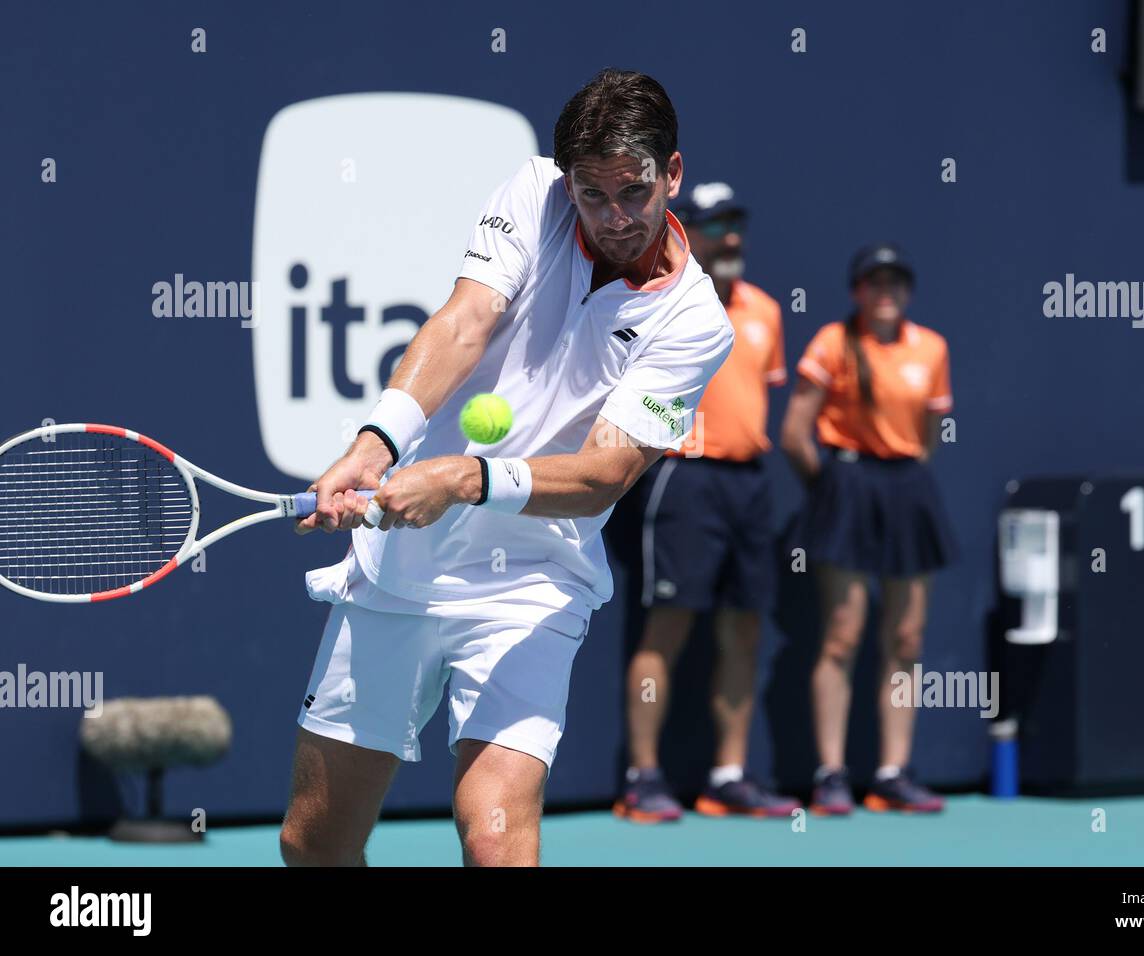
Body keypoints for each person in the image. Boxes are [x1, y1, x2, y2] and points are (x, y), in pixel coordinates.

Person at [279, 68, 734, 866]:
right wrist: (375, 444)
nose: (613, 216)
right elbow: (464, 321)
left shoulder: (697, 322)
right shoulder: (534, 190)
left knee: (493, 832)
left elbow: (605, 475)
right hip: (399, 571)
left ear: (673, 174)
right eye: (592, 195)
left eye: (633, 191)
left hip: (533, 583)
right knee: (312, 845)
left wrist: (462, 479)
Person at [613, 182, 798, 822]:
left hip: (750, 483)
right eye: (717, 227)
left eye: (737, 225)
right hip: (682, 476)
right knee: (666, 626)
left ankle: (728, 775)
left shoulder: (767, 311)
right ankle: (642, 777)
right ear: (690, 232)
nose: (732, 240)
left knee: (743, 628)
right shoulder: (661, 303)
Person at [780, 243, 956, 815]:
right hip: (847, 487)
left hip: (908, 490)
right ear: (857, 290)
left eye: (896, 282)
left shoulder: (931, 348)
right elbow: (795, 434)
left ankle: (892, 772)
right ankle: (831, 773)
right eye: (874, 282)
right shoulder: (832, 342)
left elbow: (928, 440)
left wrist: (898, 479)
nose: (886, 292)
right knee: (842, 634)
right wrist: (832, 490)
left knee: (906, 639)